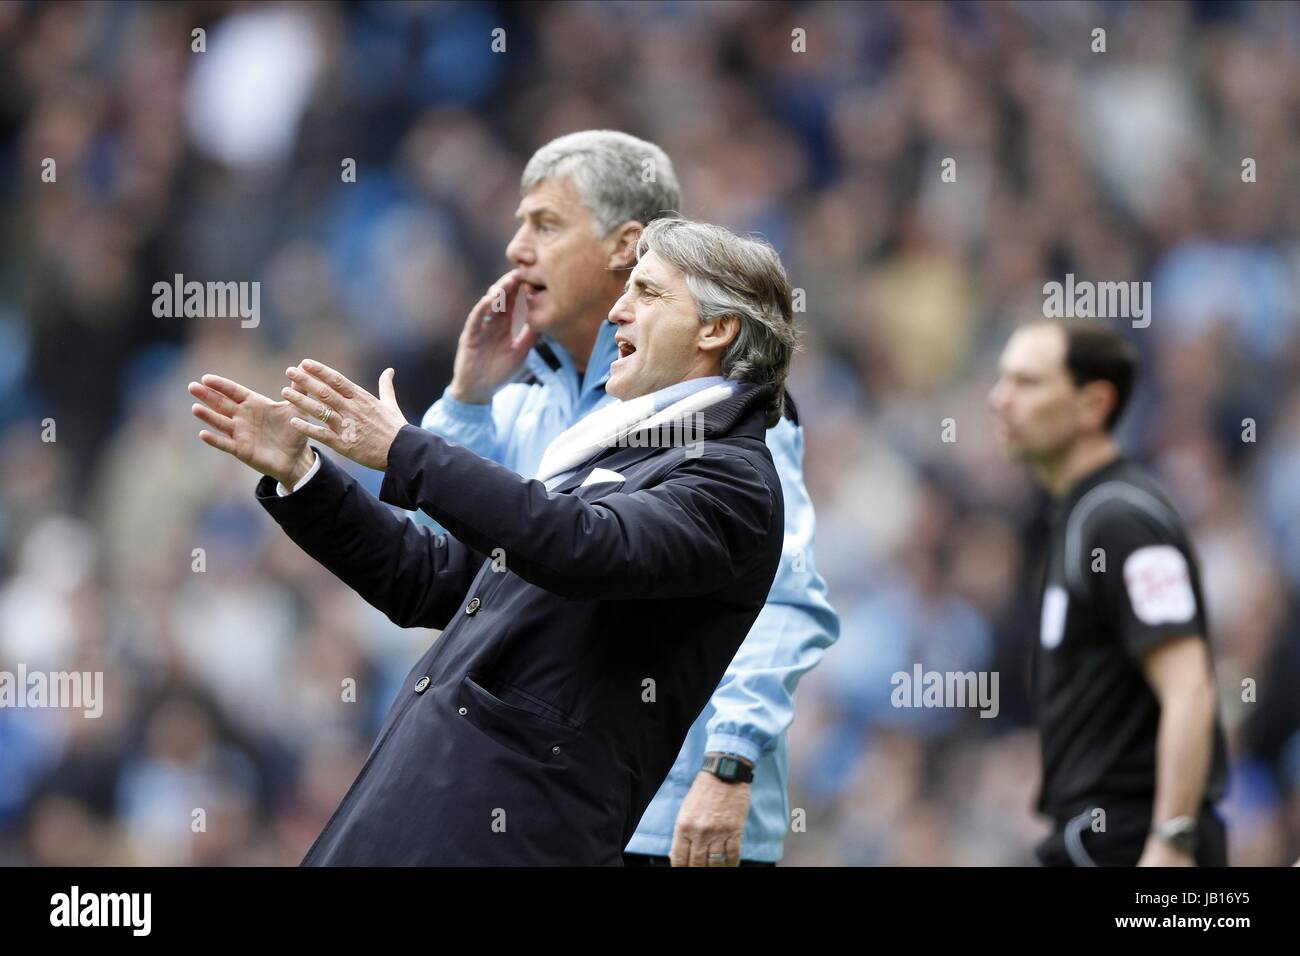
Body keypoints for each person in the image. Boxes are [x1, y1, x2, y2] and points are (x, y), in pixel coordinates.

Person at [187, 217, 796, 866]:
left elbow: (582, 547)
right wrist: (303, 475)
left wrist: (405, 451)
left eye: (648, 294)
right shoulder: (620, 452)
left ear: (717, 329)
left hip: (507, 838)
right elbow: (432, 580)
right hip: (423, 808)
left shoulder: (733, 479)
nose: (619, 311)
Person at [421, 129, 838, 867]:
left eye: (546, 224)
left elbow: (786, 595)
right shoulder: (518, 401)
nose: (517, 248)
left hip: (675, 820)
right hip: (537, 803)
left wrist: (729, 762)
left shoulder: (731, 411)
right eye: (520, 225)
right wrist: (465, 399)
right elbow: (446, 575)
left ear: (627, 244)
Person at [988, 318, 1228, 866]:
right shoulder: (1076, 516)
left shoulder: (1120, 520)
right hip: (1090, 839)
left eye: (1027, 383)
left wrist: (1171, 839)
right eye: (1002, 379)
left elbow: (1189, 685)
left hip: (1131, 844)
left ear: (1093, 405)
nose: (999, 399)